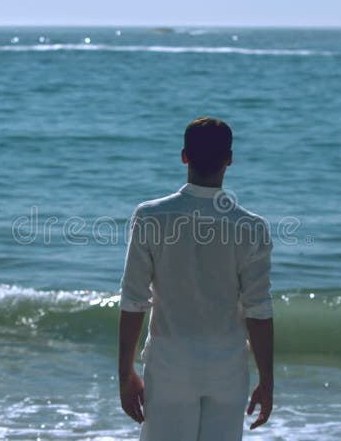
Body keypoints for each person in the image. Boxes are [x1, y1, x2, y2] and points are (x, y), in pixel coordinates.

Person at [117, 117, 274, 440]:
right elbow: (258, 309)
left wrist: (125, 373)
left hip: (169, 363)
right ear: (229, 159)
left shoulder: (150, 216)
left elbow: (134, 300)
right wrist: (267, 381)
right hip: (227, 368)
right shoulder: (250, 226)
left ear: (184, 156)